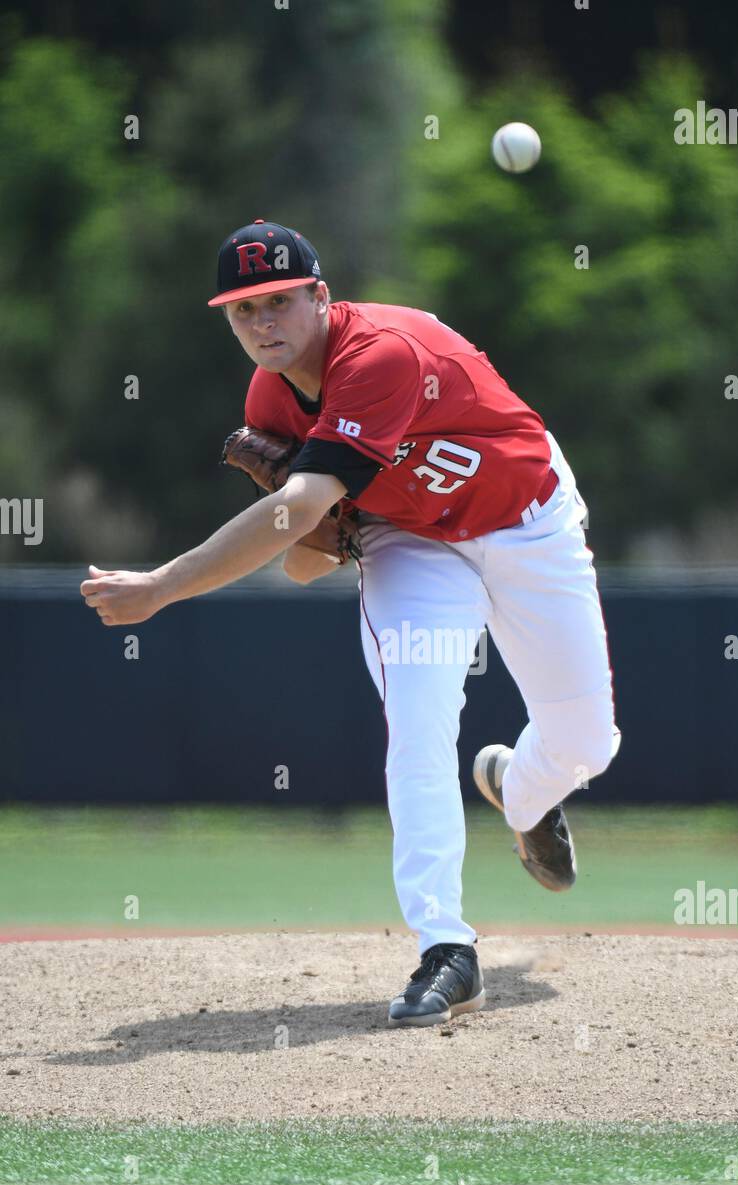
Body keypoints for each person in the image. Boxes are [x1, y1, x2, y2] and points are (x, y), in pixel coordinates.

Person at [81, 219, 620, 1027]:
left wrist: (161, 585)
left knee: (586, 743)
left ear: (321, 297)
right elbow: (303, 555)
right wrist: (319, 532)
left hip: (523, 519)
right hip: (413, 543)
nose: (263, 324)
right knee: (419, 717)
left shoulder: (380, 355)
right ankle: (448, 950)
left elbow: (294, 510)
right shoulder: (271, 398)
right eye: (242, 310)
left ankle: (520, 786)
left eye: (279, 302)